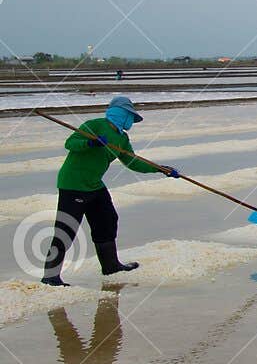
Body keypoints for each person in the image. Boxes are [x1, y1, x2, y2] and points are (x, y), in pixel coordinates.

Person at [40, 96, 178, 286]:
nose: (131, 121)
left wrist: (160, 169)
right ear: (120, 113)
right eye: (129, 116)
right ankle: (50, 276)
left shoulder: (122, 138)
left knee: (107, 220)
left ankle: (111, 266)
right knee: (66, 229)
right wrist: (90, 143)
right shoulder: (95, 126)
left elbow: (131, 161)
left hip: (95, 184)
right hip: (73, 184)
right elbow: (70, 144)